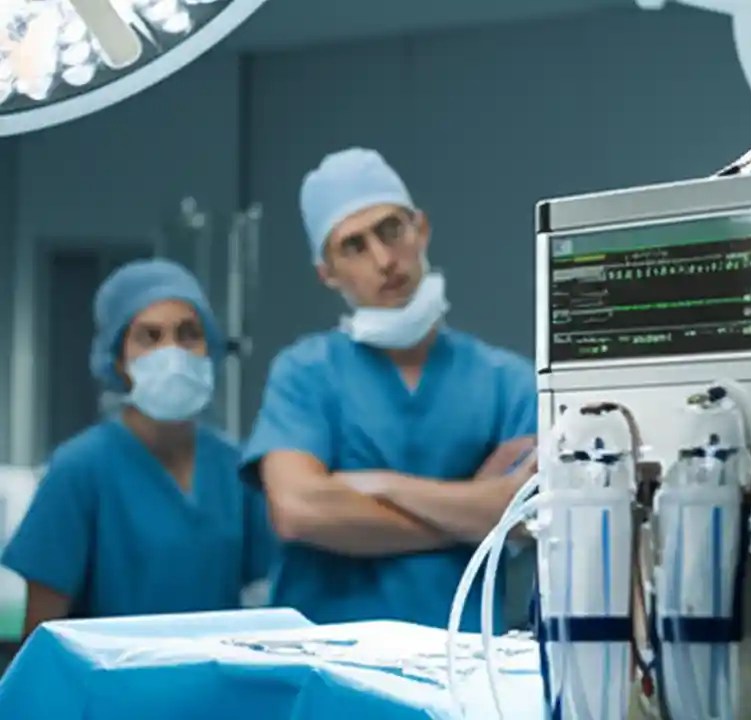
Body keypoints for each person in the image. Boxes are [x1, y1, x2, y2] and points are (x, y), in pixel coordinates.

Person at [240, 147, 537, 631]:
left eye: (391, 230)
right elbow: (298, 510)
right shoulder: (305, 373)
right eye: (353, 246)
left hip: (461, 662)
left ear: (420, 228)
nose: (383, 259)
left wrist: (379, 484)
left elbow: (526, 518)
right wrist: (475, 512)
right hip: (333, 664)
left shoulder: (507, 381)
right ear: (327, 272)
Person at [1, 259, 276, 638]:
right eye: (150, 336)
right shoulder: (80, 469)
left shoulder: (234, 467)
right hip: (111, 692)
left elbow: (263, 602)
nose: (173, 352)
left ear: (209, 347)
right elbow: (39, 638)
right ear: (118, 360)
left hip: (214, 689)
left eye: (188, 333)